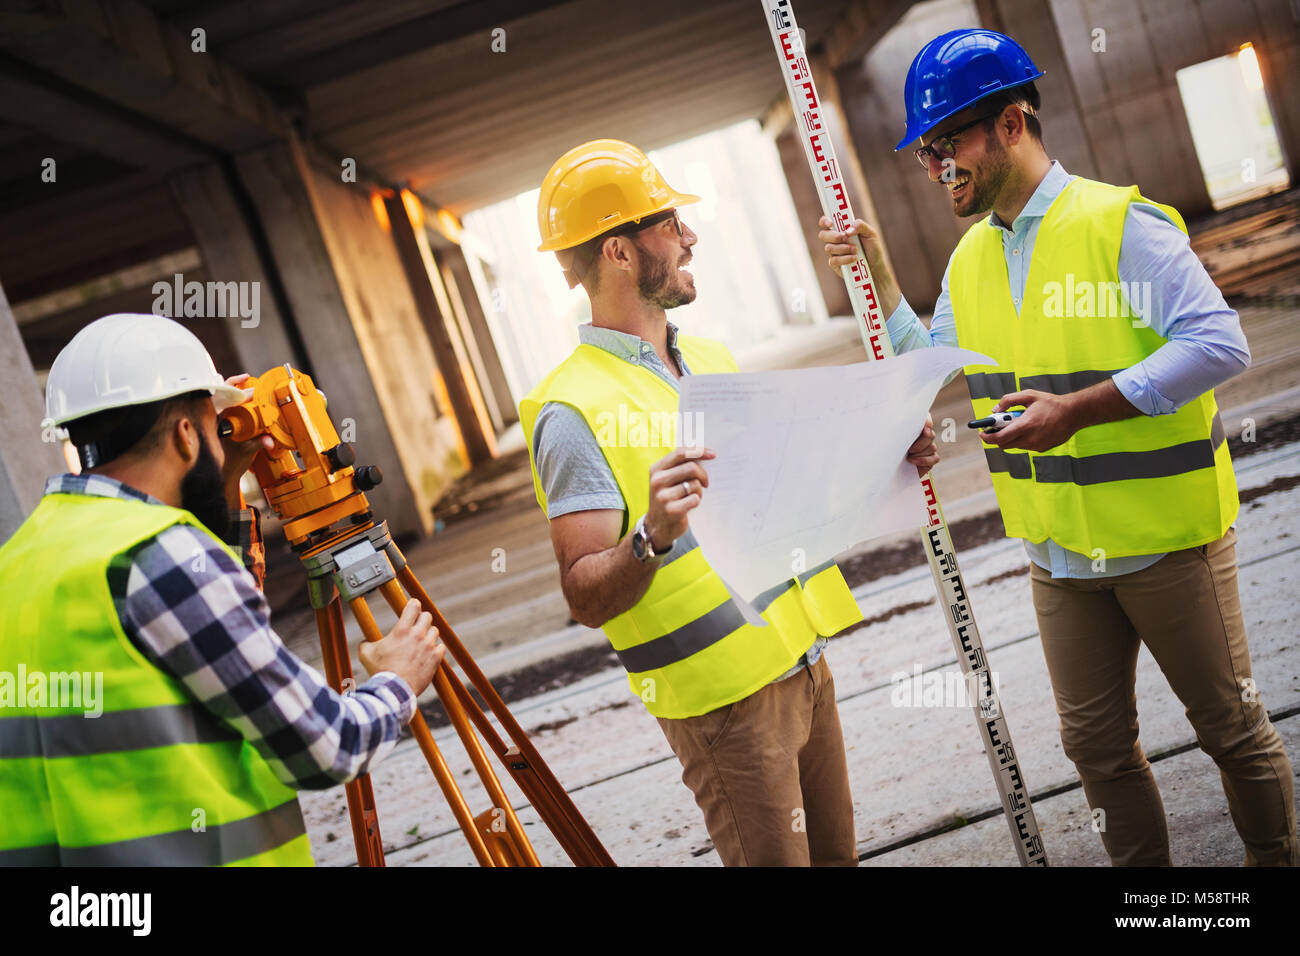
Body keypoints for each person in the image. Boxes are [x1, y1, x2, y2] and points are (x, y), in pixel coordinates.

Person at [819, 29, 1297, 866]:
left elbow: (1221, 343)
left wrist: (1080, 411)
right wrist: (881, 276)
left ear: (1011, 124)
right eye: (926, 154)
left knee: (1229, 730)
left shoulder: (1120, 223)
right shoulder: (972, 258)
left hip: (1167, 542)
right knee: (1097, 754)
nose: (937, 168)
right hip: (1060, 557)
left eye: (947, 143)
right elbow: (929, 372)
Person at [519, 139, 938, 866]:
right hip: (725, 708)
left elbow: (784, 494)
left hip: (803, 664)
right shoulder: (572, 410)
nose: (690, 237)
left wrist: (884, 451)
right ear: (618, 252)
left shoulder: (711, 360)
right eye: (670, 223)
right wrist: (651, 534)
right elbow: (585, 594)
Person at [0, 313, 445, 866]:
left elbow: (203, 633)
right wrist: (396, 683)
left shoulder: (20, 561)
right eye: (214, 428)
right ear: (186, 434)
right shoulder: (160, 557)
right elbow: (327, 748)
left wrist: (225, 480)